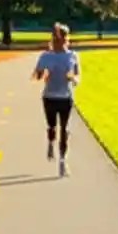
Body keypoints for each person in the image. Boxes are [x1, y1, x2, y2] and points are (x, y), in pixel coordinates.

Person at [33, 23, 80, 177]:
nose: (57, 40)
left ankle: (62, 161)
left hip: (66, 96)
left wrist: (73, 78)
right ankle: (51, 143)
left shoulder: (72, 56)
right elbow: (37, 75)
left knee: (65, 129)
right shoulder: (46, 56)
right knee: (52, 126)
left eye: (60, 37)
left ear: (66, 38)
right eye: (55, 37)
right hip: (50, 96)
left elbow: (78, 77)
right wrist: (42, 73)